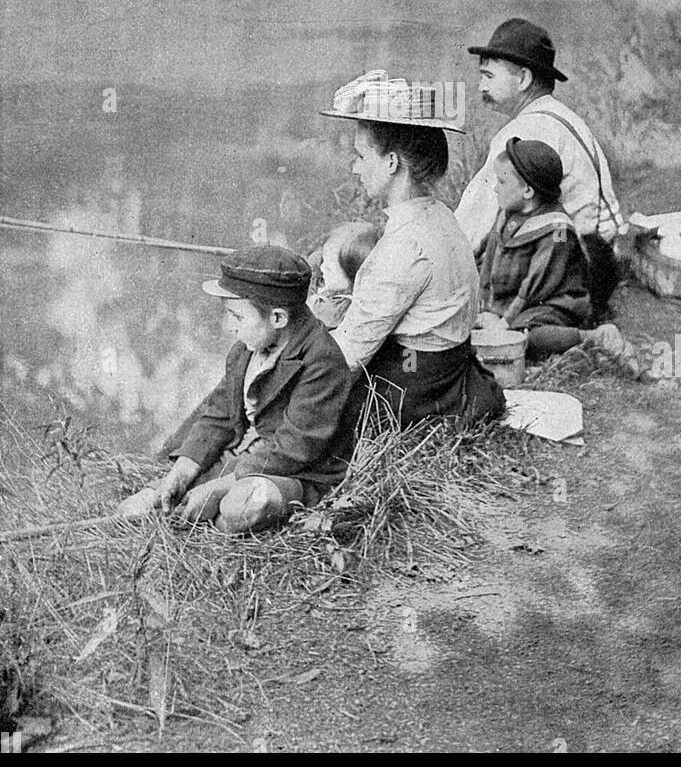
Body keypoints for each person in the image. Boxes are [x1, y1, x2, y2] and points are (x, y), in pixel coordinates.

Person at [117, 245, 364, 534]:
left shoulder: (322, 362)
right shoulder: (246, 350)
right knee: (156, 498)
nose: (229, 326)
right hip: (253, 456)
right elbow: (219, 416)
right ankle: (195, 505)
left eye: (237, 317)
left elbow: (292, 450)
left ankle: (221, 521)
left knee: (245, 505)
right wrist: (180, 475)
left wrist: (216, 488)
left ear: (278, 318)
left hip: (301, 473)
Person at [320, 71, 505, 426]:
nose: (354, 167)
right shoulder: (439, 216)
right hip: (448, 374)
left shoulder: (404, 245)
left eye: (361, 156)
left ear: (391, 163)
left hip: (415, 394)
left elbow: (346, 359)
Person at [455, 18, 624, 320]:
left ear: (522, 79)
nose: (480, 86)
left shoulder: (526, 130)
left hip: (572, 272)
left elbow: (472, 226)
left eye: (488, 75)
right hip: (600, 258)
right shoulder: (561, 116)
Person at [475, 139, 592, 358]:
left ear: (527, 191)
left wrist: (503, 323)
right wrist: (483, 309)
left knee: (525, 337)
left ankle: (591, 338)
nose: (495, 188)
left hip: (550, 304)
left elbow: (534, 287)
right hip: (510, 303)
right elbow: (486, 259)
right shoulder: (507, 213)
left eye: (502, 182)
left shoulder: (556, 229)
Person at [308, 220, 381, 328]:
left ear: (354, 277)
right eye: (323, 261)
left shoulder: (336, 309)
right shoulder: (340, 291)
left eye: (329, 269)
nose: (322, 268)